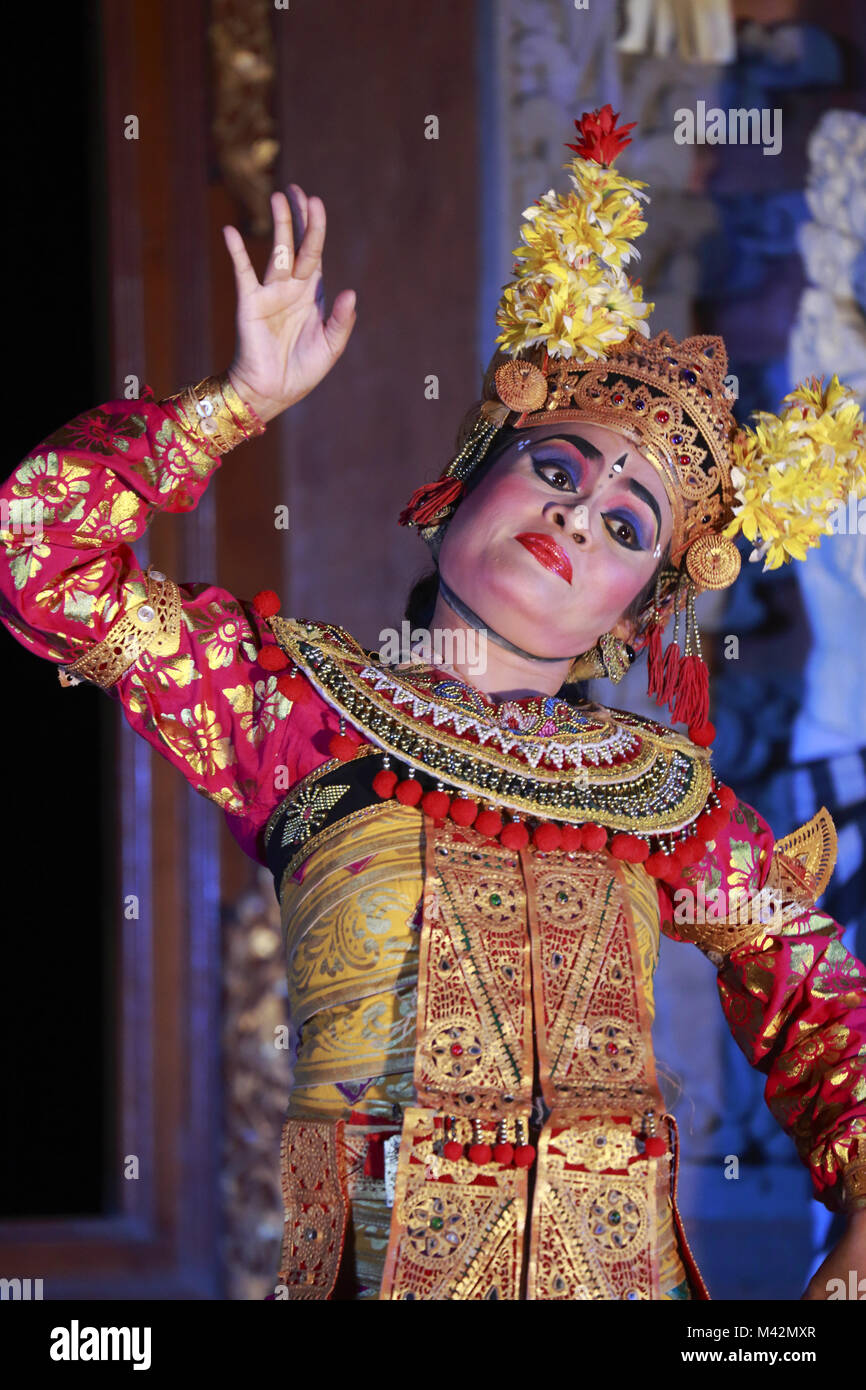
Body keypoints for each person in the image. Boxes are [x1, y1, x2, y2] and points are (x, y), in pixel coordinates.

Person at [2, 107, 865, 1302]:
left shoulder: (667, 801)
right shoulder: (290, 708)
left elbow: (824, 1008)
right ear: (466, 474)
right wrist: (230, 404)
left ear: (631, 613)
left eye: (623, 524)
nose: (575, 513)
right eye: (558, 467)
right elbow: (40, 554)